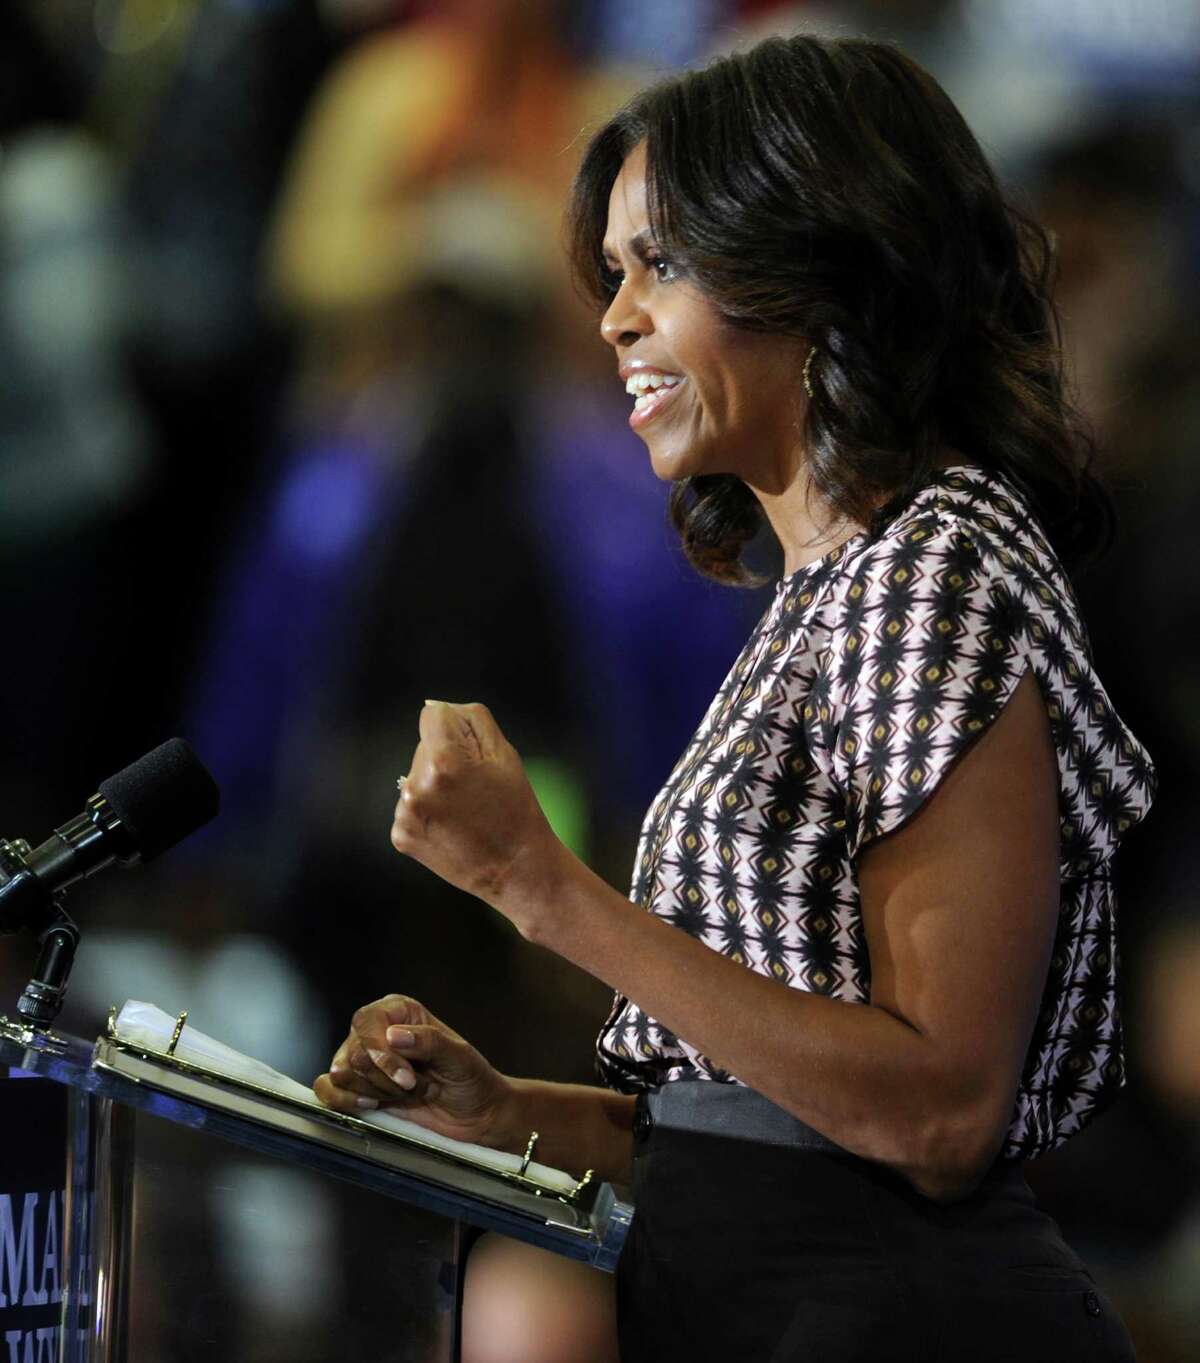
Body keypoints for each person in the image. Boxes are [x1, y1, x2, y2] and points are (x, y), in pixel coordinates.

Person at [313, 33, 1156, 1363]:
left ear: (817, 270)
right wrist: (500, 1112)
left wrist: (543, 888)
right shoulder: (817, 600)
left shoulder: (941, 566)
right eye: (611, 275)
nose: (613, 318)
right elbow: (749, 1131)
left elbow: (937, 1115)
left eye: (663, 264)